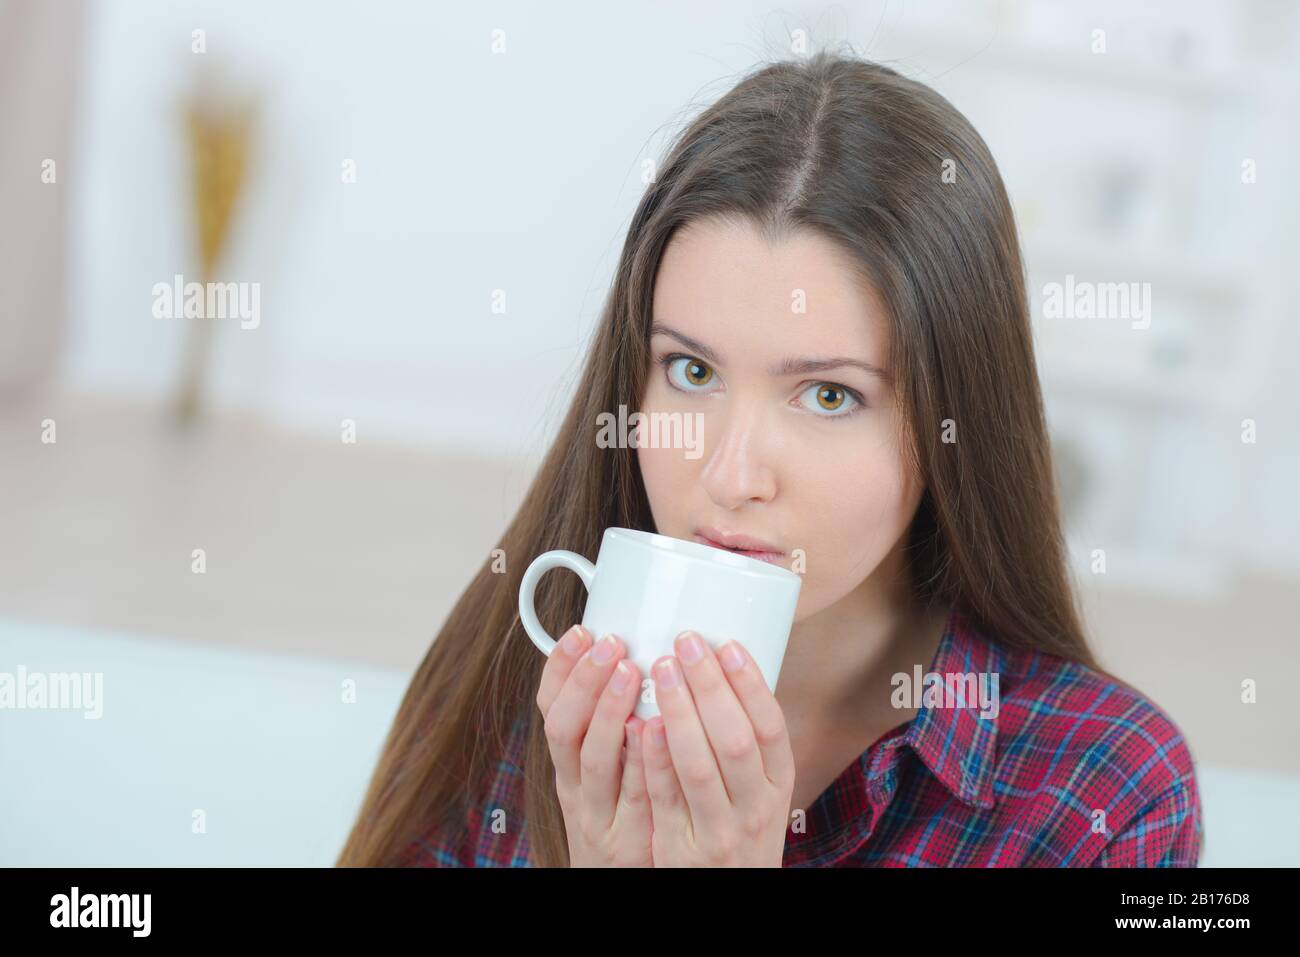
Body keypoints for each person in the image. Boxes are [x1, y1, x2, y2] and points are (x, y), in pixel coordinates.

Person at [336, 50, 1202, 868]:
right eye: (691, 370)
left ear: (953, 425)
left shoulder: (1107, 791)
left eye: (828, 395)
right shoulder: (520, 699)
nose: (729, 474)